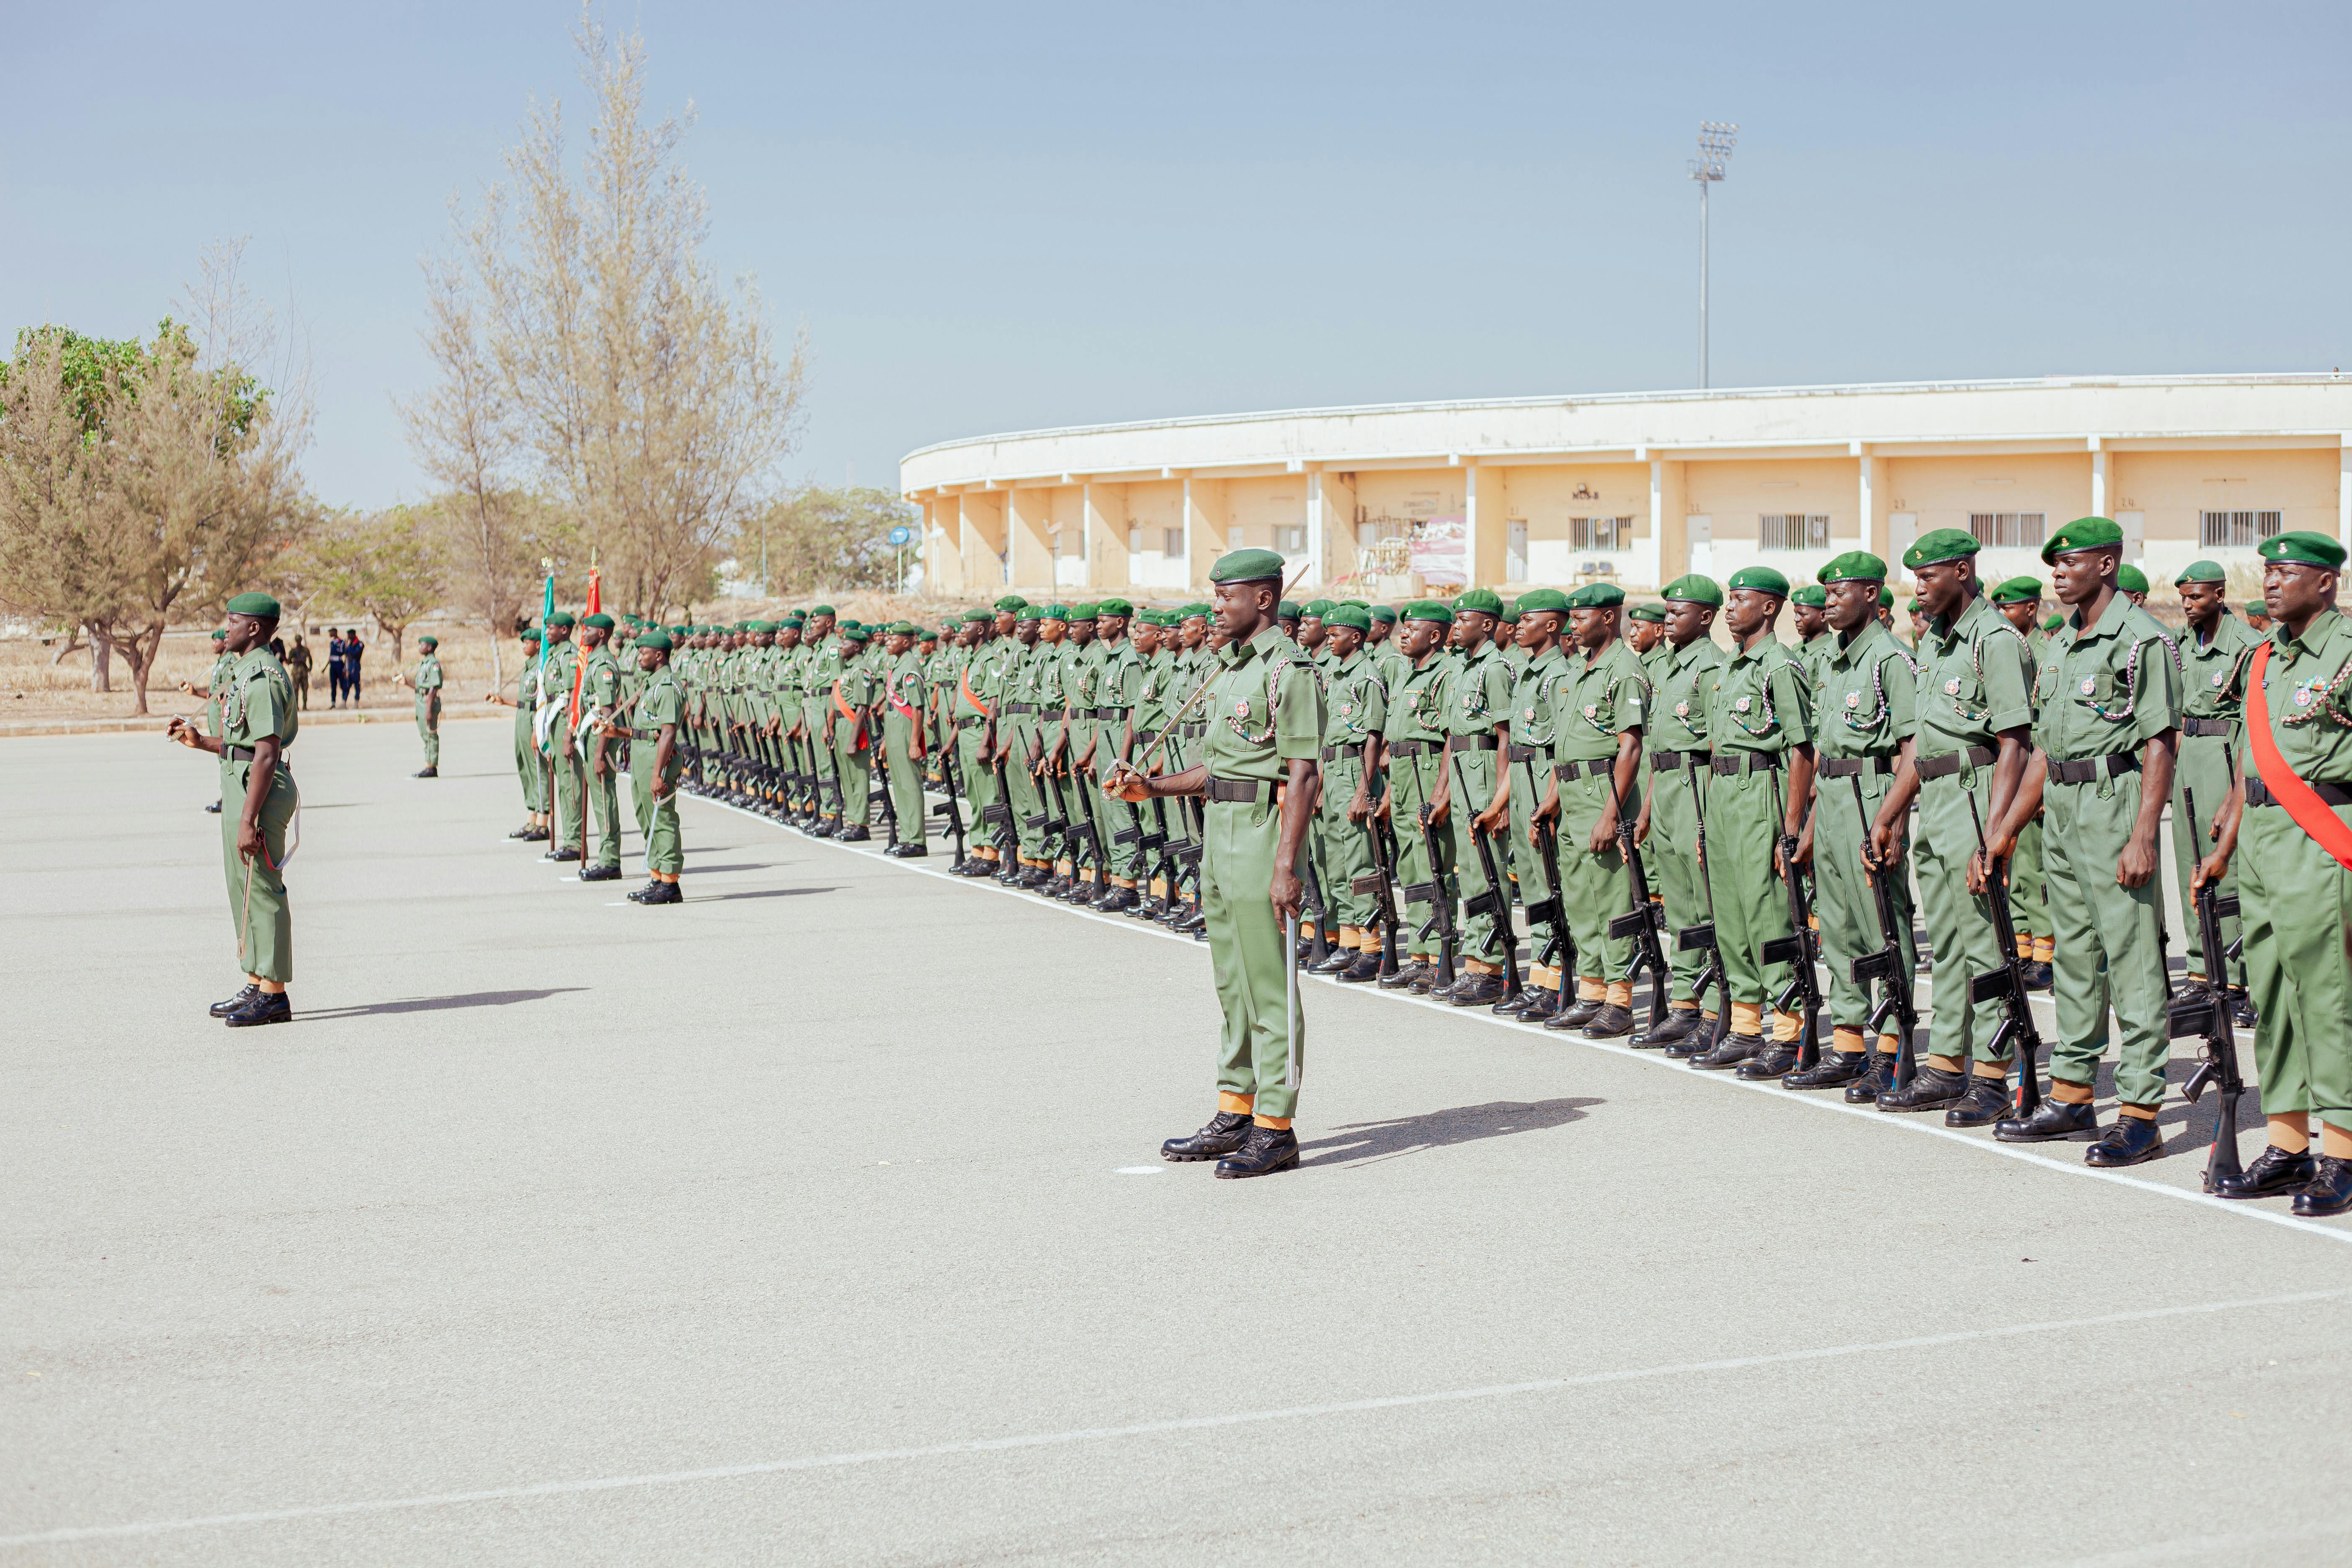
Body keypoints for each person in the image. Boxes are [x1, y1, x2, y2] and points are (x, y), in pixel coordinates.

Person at [1110, 548, 1325, 1179]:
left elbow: (1304, 773)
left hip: (1264, 833)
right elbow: (1220, 770)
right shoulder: (1229, 670)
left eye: (1226, 596)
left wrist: (1287, 865)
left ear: (1263, 599)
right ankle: (1236, 1108)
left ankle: (1276, 1127)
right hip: (1222, 829)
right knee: (1232, 983)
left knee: (1269, 985)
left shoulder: (1290, 670)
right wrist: (1152, 786)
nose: (1215, 607)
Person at [1979, 518, 2182, 1166]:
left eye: (2073, 561)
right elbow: (2044, 749)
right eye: (2055, 563)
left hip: (2114, 804)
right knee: (2075, 960)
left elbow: (2159, 741)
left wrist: (2144, 833)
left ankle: (2141, 1112)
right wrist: (2007, 828)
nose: (2060, 571)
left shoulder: (2141, 640)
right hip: (2061, 808)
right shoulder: (2063, 645)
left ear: (2109, 564)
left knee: (2132, 964)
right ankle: (2071, 1095)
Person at [1858, 530, 2036, 1122]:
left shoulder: (1996, 640)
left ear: (1962, 572)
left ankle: (1991, 1076)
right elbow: (1919, 746)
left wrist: (1995, 834)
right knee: (1952, 943)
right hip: (1933, 794)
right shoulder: (1934, 643)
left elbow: (2014, 743)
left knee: (1985, 938)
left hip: (1975, 789)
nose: (1918, 588)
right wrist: (1888, 815)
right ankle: (1948, 1066)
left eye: (1928, 576)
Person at [2198, 530, 2352, 1215]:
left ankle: (2342, 1152)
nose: (2270, 581)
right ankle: (2288, 1144)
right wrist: (2227, 841)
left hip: (2323, 839)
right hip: (2260, 841)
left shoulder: (2346, 652)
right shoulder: (2262, 657)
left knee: (2329, 997)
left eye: (2286, 571)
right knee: (2274, 998)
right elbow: (2247, 758)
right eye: (2267, 571)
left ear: (2326, 583)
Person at [1806, 552, 1924, 1101]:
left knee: (1883, 925)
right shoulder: (1833, 659)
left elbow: (1912, 749)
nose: (1830, 600)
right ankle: (1849, 1045)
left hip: (1870, 793)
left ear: (1873, 595)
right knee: (1838, 925)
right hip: (1830, 797)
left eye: (1840, 591)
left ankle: (1894, 1047)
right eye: (1825, 593)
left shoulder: (1890, 659)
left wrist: (1893, 823)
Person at [1691, 566, 1815, 1071]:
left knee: (1766, 912)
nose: (1729, 608)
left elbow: (1803, 750)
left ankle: (1786, 1032)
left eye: (1739, 599)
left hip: (1759, 790)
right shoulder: (1725, 670)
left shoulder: (1779, 667)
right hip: (1722, 794)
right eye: (1728, 598)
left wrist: (1790, 826)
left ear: (1768, 608)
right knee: (1731, 910)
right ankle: (1745, 1024)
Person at [167, 592, 299, 1027]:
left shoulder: (261, 676)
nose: (227, 629)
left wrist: (247, 819)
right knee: (242, 889)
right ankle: (257, 980)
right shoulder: (243, 671)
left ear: (255, 629)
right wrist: (199, 741)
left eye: (233, 621)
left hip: (257, 791)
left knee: (262, 888)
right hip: (243, 782)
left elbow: (265, 752)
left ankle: (275, 996)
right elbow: (241, 742)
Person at [1537, 583, 1649, 1038]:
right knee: (1582, 899)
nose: (1573, 626)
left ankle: (1620, 1000)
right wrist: (1552, 797)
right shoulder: (1579, 671)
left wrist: (1611, 815)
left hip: (1602, 794)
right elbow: (1564, 748)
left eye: (1581, 618)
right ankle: (1593, 992)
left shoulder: (1623, 669)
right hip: (1571, 794)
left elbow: (1631, 746)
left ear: (1608, 618)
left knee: (1611, 900)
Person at [1632, 576, 1728, 1049]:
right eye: (1666, 612)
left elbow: (1714, 745)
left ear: (1706, 618)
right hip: (1666, 785)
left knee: (1705, 901)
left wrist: (1708, 817)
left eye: (1678, 612)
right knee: (1679, 903)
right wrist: (1648, 808)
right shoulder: (1667, 667)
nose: (1668, 619)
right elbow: (1656, 747)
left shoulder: (1712, 668)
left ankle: (1717, 1007)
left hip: (1696, 784)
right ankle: (1687, 1004)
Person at [2169, 560, 2257, 1024]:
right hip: (2189, 754)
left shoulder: (2246, 644)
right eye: (2184, 597)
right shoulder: (2181, 644)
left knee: (2230, 868)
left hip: (2226, 755)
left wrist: (2233, 793)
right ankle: (2202, 975)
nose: (2188, 604)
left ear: (2220, 595)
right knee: (2191, 862)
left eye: (2197, 596)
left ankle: (2239, 979)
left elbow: (2252, 722)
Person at [1426, 587, 1515, 1007]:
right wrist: (1442, 792)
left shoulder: (1495, 669)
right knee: (1470, 874)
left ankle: (1492, 966)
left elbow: (1506, 739)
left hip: (1483, 770)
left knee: (1487, 868)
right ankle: (1476, 963)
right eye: (1455, 619)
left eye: (1465, 620)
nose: (1456, 626)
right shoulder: (1462, 667)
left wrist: (1501, 800)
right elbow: (1450, 737)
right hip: (1462, 769)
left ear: (1488, 625)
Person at [1310, 604, 1387, 980]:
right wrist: (1322, 784)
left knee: (1360, 864)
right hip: (1334, 767)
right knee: (1337, 863)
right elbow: (1327, 739)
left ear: (1355, 637)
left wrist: (1362, 791)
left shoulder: (1366, 677)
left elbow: (1373, 737)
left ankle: (1371, 949)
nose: (1329, 639)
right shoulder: (1336, 674)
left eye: (1335, 634)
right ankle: (1349, 943)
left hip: (1356, 769)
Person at [1991, 577, 2055, 988]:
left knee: (2036, 869)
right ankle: (2023, 946)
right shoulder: (2005, 649)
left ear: (2031, 609)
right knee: (2012, 866)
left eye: (2010, 608)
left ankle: (2046, 951)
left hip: (2037, 769)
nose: (2003, 616)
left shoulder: (2048, 652)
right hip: (2012, 770)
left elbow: (2047, 725)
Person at [602, 629, 688, 905]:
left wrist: (656, 774)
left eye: (644, 653)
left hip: (656, 760)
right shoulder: (651, 683)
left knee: (661, 819)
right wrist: (620, 733)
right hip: (642, 754)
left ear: (659, 655)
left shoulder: (667, 686)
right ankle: (657, 877)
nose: (640, 657)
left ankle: (671, 883)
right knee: (645, 816)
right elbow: (646, 730)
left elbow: (668, 733)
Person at [483, 625, 550, 841]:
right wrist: (505, 702)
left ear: (538, 644)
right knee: (525, 768)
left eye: (527, 643)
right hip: (522, 719)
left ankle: (543, 821)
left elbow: (540, 704)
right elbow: (525, 703)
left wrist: (535, 731)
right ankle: (532, 817)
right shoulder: (527, 669)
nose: (524, 646)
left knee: (537, 769)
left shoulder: (540, 669)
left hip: (532, 721)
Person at [878, 622, 930, 856]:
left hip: (906, 731)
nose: (888, 641)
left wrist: (914, 742)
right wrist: (887, 741)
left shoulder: (910, 666)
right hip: (894, 731)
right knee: (899, 785)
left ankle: (917, 840)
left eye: (893, 638)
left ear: (907, 642)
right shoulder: (898, 665)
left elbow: (918, 708)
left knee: (910, 786)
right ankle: (907, 836)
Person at [540, 612, 584, 863]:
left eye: (552, 629)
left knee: (571, 785)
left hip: (565, 726)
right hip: (554, 725)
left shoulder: (568, 655)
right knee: (563, 784)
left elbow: (571, 697)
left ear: (565, 630)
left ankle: (575, 842)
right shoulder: (555, 654)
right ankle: (569, 840)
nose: (547, 633)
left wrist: (568, 733)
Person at [179, 627, 236, 813]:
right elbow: (215, 694)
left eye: (216, 641)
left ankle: (228, 799)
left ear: (225, 643)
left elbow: (227, 696)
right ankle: (228, 798)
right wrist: (195, 692)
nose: (213, 644)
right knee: (221, 759)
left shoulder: (229, 664)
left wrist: (222, 721)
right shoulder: (220, 663)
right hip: (214, 718)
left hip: (222, 720)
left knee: (225, 758)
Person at [391, 634, 444, 777]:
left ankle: (431, 767)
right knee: (424, 734)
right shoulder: (425, 663)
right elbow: (423, 686)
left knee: (430, 734)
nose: (419, 647)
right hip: (422, 702)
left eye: (422, 645)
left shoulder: (433, 664)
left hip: (428, 703)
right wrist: (406, 682)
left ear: (430, 647)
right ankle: (429, 764)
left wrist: (429, 711)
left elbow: (433, 689)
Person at [285, 633, 313, 709]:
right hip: (296, 672)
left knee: (305, 689)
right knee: (296, 689)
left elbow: (310, 660)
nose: (298, 642)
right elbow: (289, 662)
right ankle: (296, 706)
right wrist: (295, 660)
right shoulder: (293, 651)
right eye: (297, 640)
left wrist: (310, 668)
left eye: (299, 640)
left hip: (304, 672)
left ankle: (305, 706)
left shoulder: (306, 650)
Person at [343, 627, 366, 701]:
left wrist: (348, 646)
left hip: (355, 666)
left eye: (349, 635)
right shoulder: (350, 644)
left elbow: (354, 654)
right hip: (349, 666)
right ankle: (344, 701)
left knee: (356, 684)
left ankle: (356, 701)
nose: (348, 637)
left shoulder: (360, 644)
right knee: (347, 684)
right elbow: (346, 653)